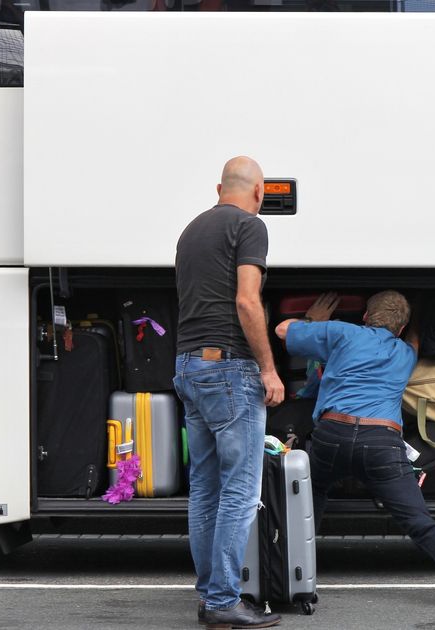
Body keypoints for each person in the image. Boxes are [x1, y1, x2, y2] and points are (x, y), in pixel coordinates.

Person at [274, 291, 435, 606]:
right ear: (402, 329)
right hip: (381, 442)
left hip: (332, 433)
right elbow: (416, 343)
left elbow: (282, 331)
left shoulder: (342, 332)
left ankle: (286, 574)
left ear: (365, 316)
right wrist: (414, 318)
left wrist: (314, 322)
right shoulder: (405, 353)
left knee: (309, 504)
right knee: (419, 521)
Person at [173, 156, 284, 629]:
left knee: (205, 488)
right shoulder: (249, 227)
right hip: (229, 369)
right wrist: (268, 368)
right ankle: (222, 601)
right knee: (239, 488)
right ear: (258, 191)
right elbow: (245, 300)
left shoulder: (192, 230)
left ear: (220, 187)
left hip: (188, 366)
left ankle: (209, 595)